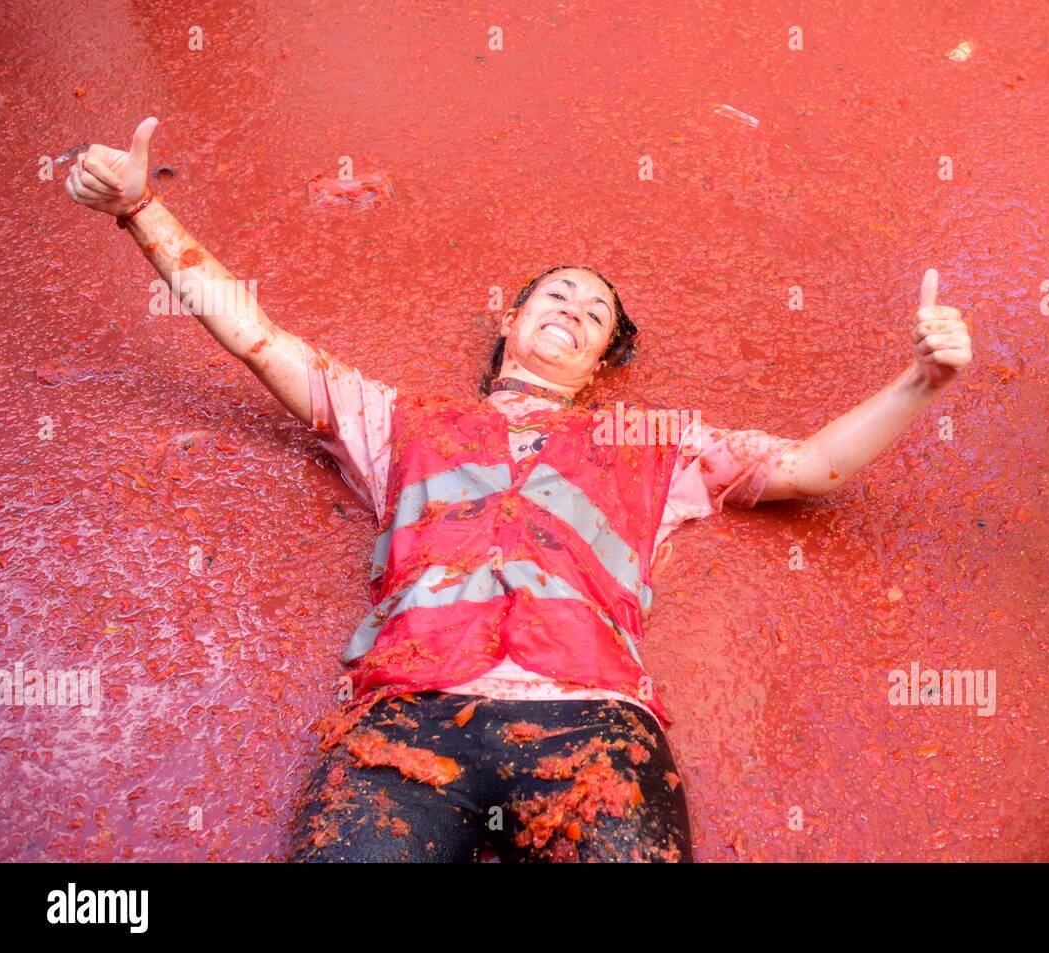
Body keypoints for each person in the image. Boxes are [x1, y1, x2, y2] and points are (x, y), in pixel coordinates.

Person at [64, 117, 973, 863]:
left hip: (591, 723)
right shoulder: (398, 419)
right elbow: (255, 334)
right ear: (513, 319)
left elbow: (811, 469)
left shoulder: (657, 442)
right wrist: (141, 210)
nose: (572, 313)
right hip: (404, 721)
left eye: (594, 315)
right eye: (558, 296)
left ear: (602, 358)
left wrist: (920, 381)